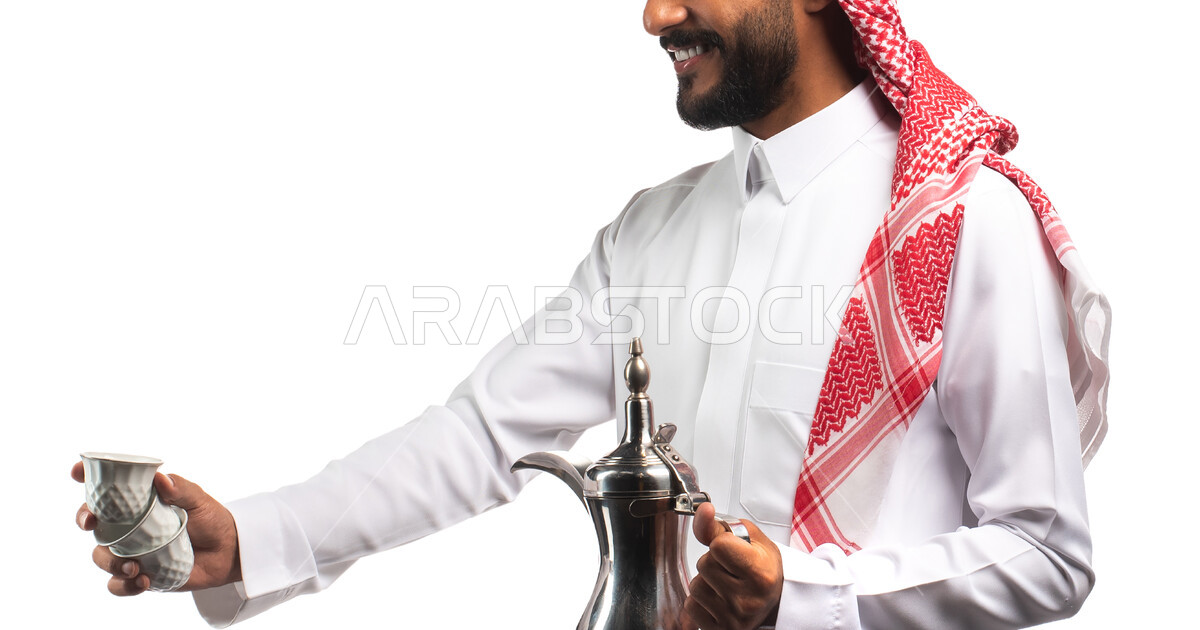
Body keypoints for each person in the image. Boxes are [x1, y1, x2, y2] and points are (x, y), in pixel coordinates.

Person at [73, 0, 1110, 628]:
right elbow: (481, 435)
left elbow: (1047, 552)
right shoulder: (655, 230)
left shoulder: (962, 220)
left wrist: (802, 600)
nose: (655, 17)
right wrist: (252, 537)